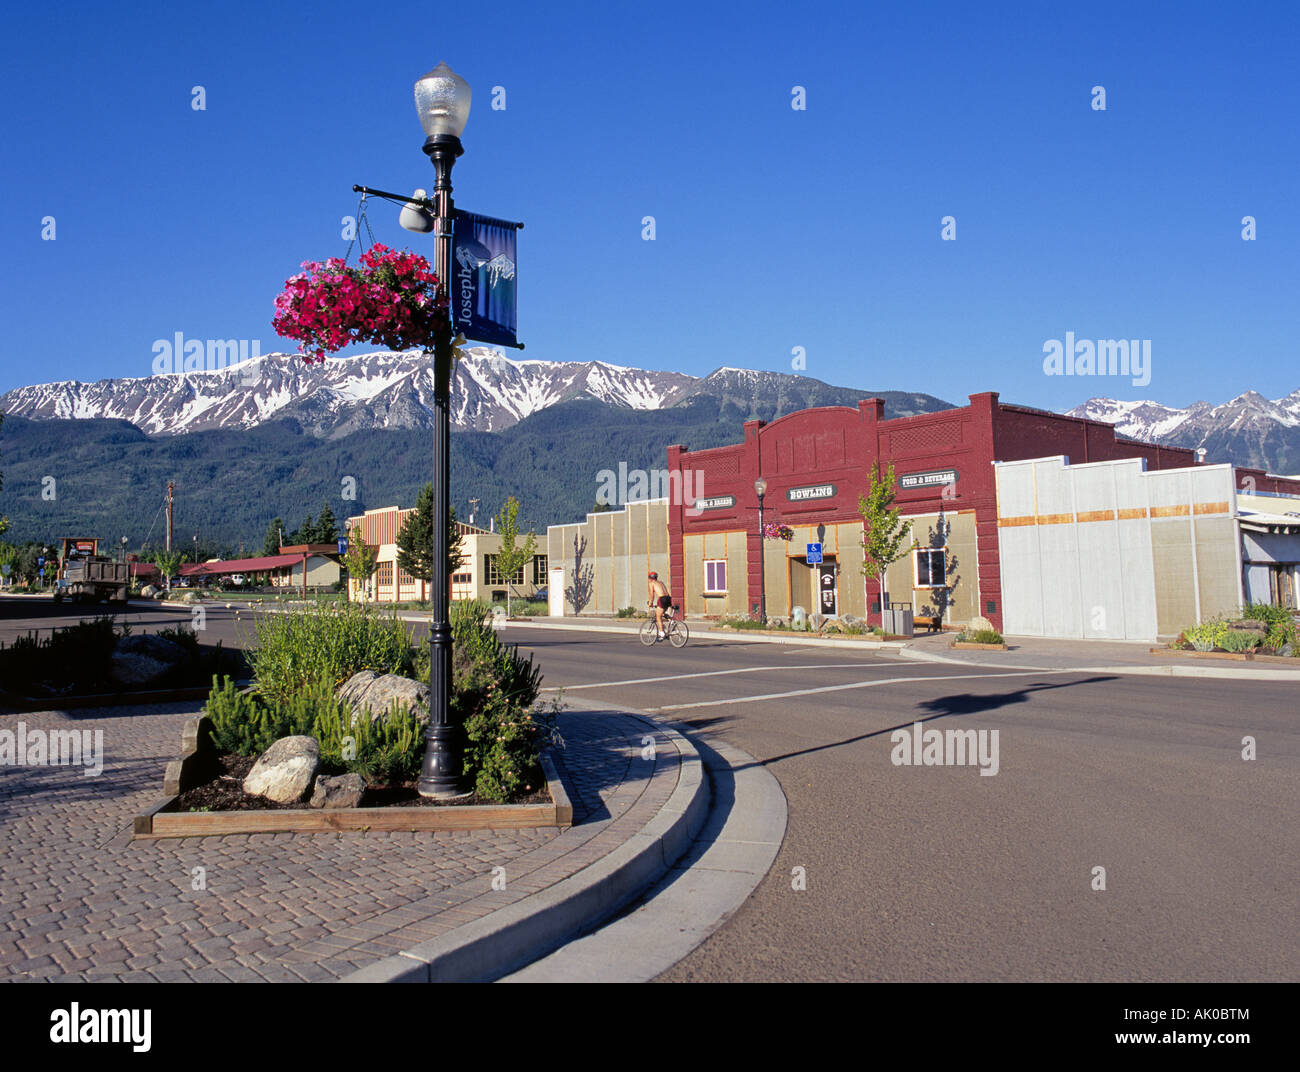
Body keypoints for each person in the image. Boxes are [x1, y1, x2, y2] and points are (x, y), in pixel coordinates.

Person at [648, 571, 672, 640]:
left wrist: (651, 603)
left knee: (658, 616)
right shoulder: (661, 582)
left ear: (650, 578)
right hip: (668, 598)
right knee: (662, 613)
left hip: (662, 599)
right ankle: (672, 621)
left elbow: (652, 595)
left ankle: (662, 633)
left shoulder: (652, 583)